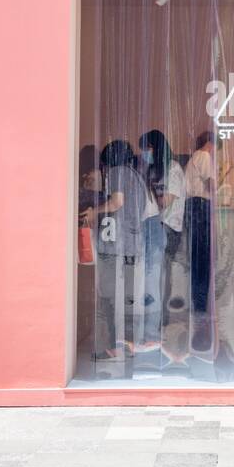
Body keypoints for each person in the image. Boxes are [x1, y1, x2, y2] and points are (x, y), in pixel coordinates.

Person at [82, 140, 150, 359]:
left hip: (116, 247)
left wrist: (95, 211)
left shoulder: (117, 172)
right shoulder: (136, 176)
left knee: (108, 299)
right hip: (133, 246)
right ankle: (126, 346)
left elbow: (116, 202)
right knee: (127, 300)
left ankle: (111, 347)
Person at [134, 129, 182, 354]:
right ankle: (156, 326)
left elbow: (166, 202)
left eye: (148, 148)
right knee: (156, 277)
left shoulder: (172, 168)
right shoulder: (151, 169)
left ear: (157, 147)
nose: (144, 153)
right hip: (155, 225)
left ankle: (158, 327)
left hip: (168, 226)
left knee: (158, 278)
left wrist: (148, 194)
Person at [183, 131, 216, 352]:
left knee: (197, 257)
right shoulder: (204, 156)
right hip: (200, 207)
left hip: (192, 208)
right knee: (203, 258)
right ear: (211, 143)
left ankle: (198, 304)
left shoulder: (193, 158)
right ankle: (201, 306)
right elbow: (212, 185)